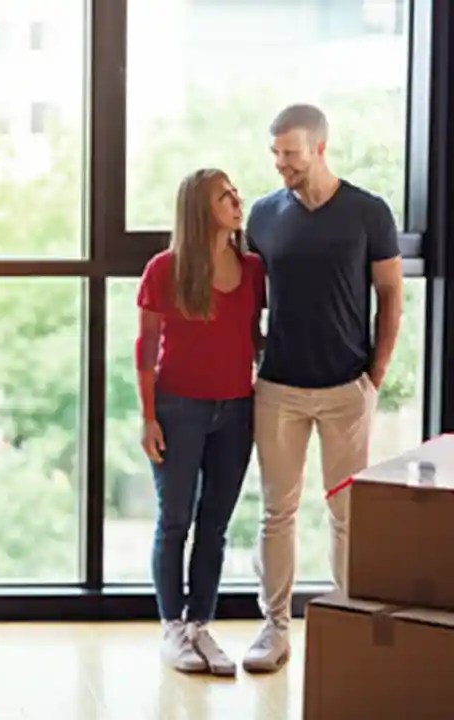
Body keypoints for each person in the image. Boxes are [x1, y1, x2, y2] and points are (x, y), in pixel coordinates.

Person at [241, 104, 404, 673]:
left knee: (347, 515)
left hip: (346, 387)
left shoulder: (368, 212)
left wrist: (374, 374)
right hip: (280, 387)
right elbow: (246, 297)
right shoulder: (262, 215)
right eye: (276, 153)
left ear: (320, 148)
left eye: (290, 153)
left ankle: (350, 624)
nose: (281, 164)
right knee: (276, 512)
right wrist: (256, 355)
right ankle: (274, 628)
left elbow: (390, 294)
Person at [136, 168, 266, 676]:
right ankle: (173, 627)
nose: (237, 201)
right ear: (199, 210)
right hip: (178, 408)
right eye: (224, 196)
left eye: (235, 192)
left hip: (237, 409)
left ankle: (200, 625)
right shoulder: (164, 269)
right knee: (176, 522)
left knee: (215, 525)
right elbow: (145, 348)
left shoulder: (254, 268)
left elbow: (256, 334)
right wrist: (148, 417)